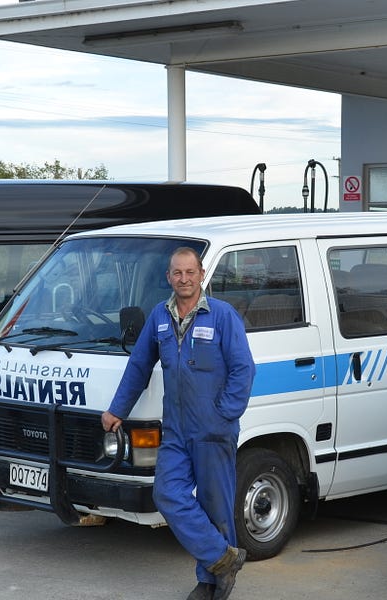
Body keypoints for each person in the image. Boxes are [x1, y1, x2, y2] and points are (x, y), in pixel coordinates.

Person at [101, 246, 256, 600]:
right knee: (167, 494)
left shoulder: (222, 316)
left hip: (213, 430)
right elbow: (139, 366)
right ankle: (222, 559)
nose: (183, 279)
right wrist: (117, 410)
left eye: (190, 272)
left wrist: (224, 414)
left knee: (216, 506)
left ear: (202, 274)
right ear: (169, 277)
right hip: (176, 430)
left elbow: (243, 370)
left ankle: (211, 582)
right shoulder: (159, 316)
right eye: (177, 273)